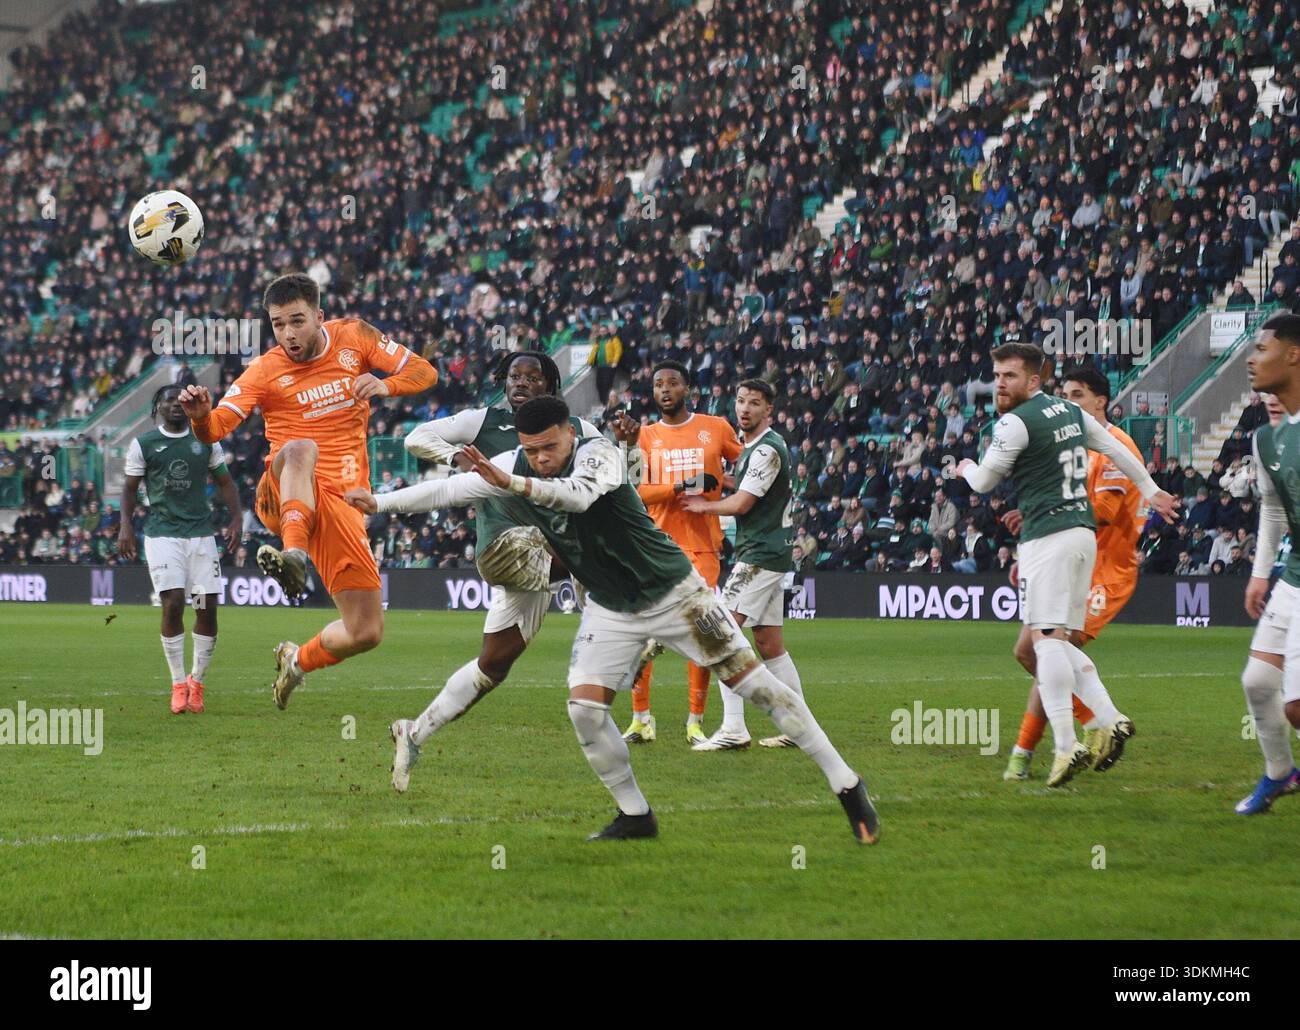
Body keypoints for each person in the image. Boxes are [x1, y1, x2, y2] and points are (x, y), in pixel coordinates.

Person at [444, 395, 879, 843]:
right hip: (614, 602)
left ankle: (846, 784)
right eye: (530, 450)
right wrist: (376, 502)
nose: (538, 457)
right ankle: (635, 814)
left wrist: (518, 483)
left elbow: (582, 496)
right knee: (586, 712)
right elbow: (450, 490)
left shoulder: (596, 457)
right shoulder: (542, 461)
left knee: (758, 686)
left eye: (545, 448)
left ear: (569, 433)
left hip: (675, 588)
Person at [344, 351, 601, 791]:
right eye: (514, 376)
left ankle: (414, 731)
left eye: (533, 377)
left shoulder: (582, 432)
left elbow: (604, 476)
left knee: (493, 666)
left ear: (552, 385)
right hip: (508, 547)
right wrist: (456, 458)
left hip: (542, 556)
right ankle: (613, 623)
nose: (520, 383)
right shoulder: (483, 422)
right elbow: (419, 441)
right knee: (591, 554)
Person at [179, 273, 437, 707]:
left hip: (343, 501)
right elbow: (217, 428)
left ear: (320, 317)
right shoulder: (264, 370)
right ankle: (293, 556)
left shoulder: (355, 337)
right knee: (300, 447)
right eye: (278, 324)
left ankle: (296, 661)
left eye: (296, 321)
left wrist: (385, 383)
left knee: (365, 630)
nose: (287, 334)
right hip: (281, 494)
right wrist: (202, 418)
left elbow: (423, 370)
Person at [958, 344, 1178, 787]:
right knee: (1058, 643)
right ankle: (1107, 718)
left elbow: (983, 482)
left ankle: (1065, 745)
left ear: (1033, 380)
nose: (999, 383)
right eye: (996, 375)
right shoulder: (1069, 414)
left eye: (1009, 376)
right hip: (1081, 540)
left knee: (1045, 643)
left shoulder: (1014, 423)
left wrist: (965, 468)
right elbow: (1117, 450)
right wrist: (1151, 488)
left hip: (1051, 538)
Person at [1002, 365, 1146, 781]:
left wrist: (1043, 512)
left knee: (1046, 649)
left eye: (1077, 395)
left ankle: (1029, 753)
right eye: (1064, 394)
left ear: (1100, 401)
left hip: (1106, 569)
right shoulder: (1070, 445)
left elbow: (1104, 511)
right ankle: (1097, 723)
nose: (1067, 402)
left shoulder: (1116, 446)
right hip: (1069, 558)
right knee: (1033, 651)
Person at [614, 360, 743, 745]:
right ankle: (641, 720)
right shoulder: (645, 435)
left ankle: (695, 721)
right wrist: (682, 485)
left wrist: (726, 486)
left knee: (700, 629)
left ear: (687, 389)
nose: (665, 389)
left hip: (703, 545)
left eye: (672, 383)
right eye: (658, 384)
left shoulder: (716, 428)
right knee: (643, 632)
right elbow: (635, 491)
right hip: (655, 545)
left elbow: (747, 465)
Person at [118, 383, 242, 714]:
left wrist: (237, 520)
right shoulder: (144, 444)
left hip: (200, 536)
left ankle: (197, 682)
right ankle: (177, 683)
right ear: (157, 408)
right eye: (168, 400)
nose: (175, 405)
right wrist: (126, 526)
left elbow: (225, 483)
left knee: (206, 606)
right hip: (163, 536)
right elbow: (129, 490)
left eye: (180, 400)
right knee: (172, 602)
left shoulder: (205, 440)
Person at [1235, 316, 1300, 814]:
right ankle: (1280, 773)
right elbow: (1275, 509)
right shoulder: (1268, 441)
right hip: (1293, 576)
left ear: (1293, 355)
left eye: (1261, 348)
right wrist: (1261, 572)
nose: (1252, 358)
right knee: (1258, 683)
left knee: (1296, 705)